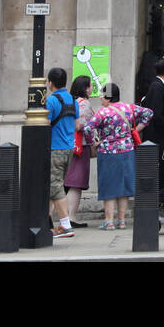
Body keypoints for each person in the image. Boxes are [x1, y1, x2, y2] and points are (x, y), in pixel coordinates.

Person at [83, 83, 152, 229]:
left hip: (108, 152)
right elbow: (148, 113)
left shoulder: (103, 112)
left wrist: (93, 143)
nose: (101, 98)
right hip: (127, 151)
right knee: (124, 186)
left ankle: (109, 221)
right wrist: (136, 130)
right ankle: (121, 221)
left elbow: (88, 128)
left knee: (109, 186)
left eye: (102, 95)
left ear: (108, 97)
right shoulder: (129, 108)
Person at [45, 67, 76, 238]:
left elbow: (45, 124)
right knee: (55, 185)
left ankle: (65, 225)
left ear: (50, 83)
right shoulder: (73, 99)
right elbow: (77, 124)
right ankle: (45, 220)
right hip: (69, 148)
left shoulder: (51, 101)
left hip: (55, 148)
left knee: (55, 187)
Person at [64, 75, 95, 227]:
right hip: (80, 146)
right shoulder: (85, 104)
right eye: (90, 86)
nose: (92, 88)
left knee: (65, 182)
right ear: (85, 88)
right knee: (76, 182)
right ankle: (71, 217)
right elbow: (83, 126)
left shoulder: (69, 101)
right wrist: (93, 143)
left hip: (65, 144)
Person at [142, 58, 164, 188]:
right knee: (159, 164)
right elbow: (156, 112)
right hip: (156, 134)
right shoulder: (157, 87)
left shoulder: (156, 85)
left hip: (155, 132)